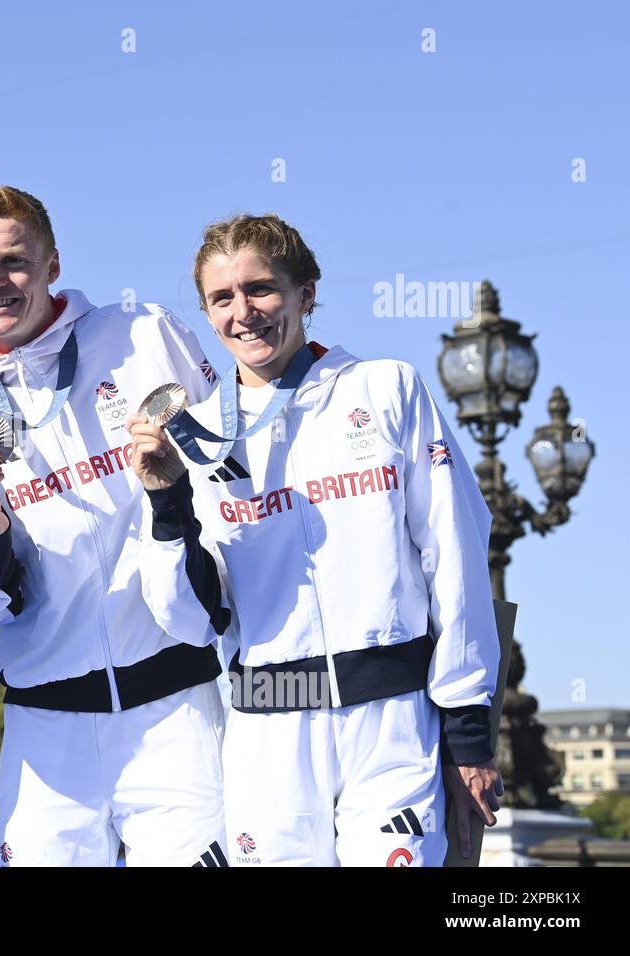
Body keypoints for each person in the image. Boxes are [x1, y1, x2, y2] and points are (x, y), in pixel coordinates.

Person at [129, 213, 502, 866]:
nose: (245, 312)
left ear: (306, 293)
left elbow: (457, 556)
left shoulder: (386, 388)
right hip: (267, 733)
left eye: (261, 289)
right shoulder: (196, 438)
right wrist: (167, 502)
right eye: (223, 298)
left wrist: (469, 735)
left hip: (389, 723)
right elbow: (192, 618)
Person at [0, 186, 229, 867]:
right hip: (47, 726)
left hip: (174, 703)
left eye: (13, 261)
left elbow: (231, 481)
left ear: (52, 263)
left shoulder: (144, 334)